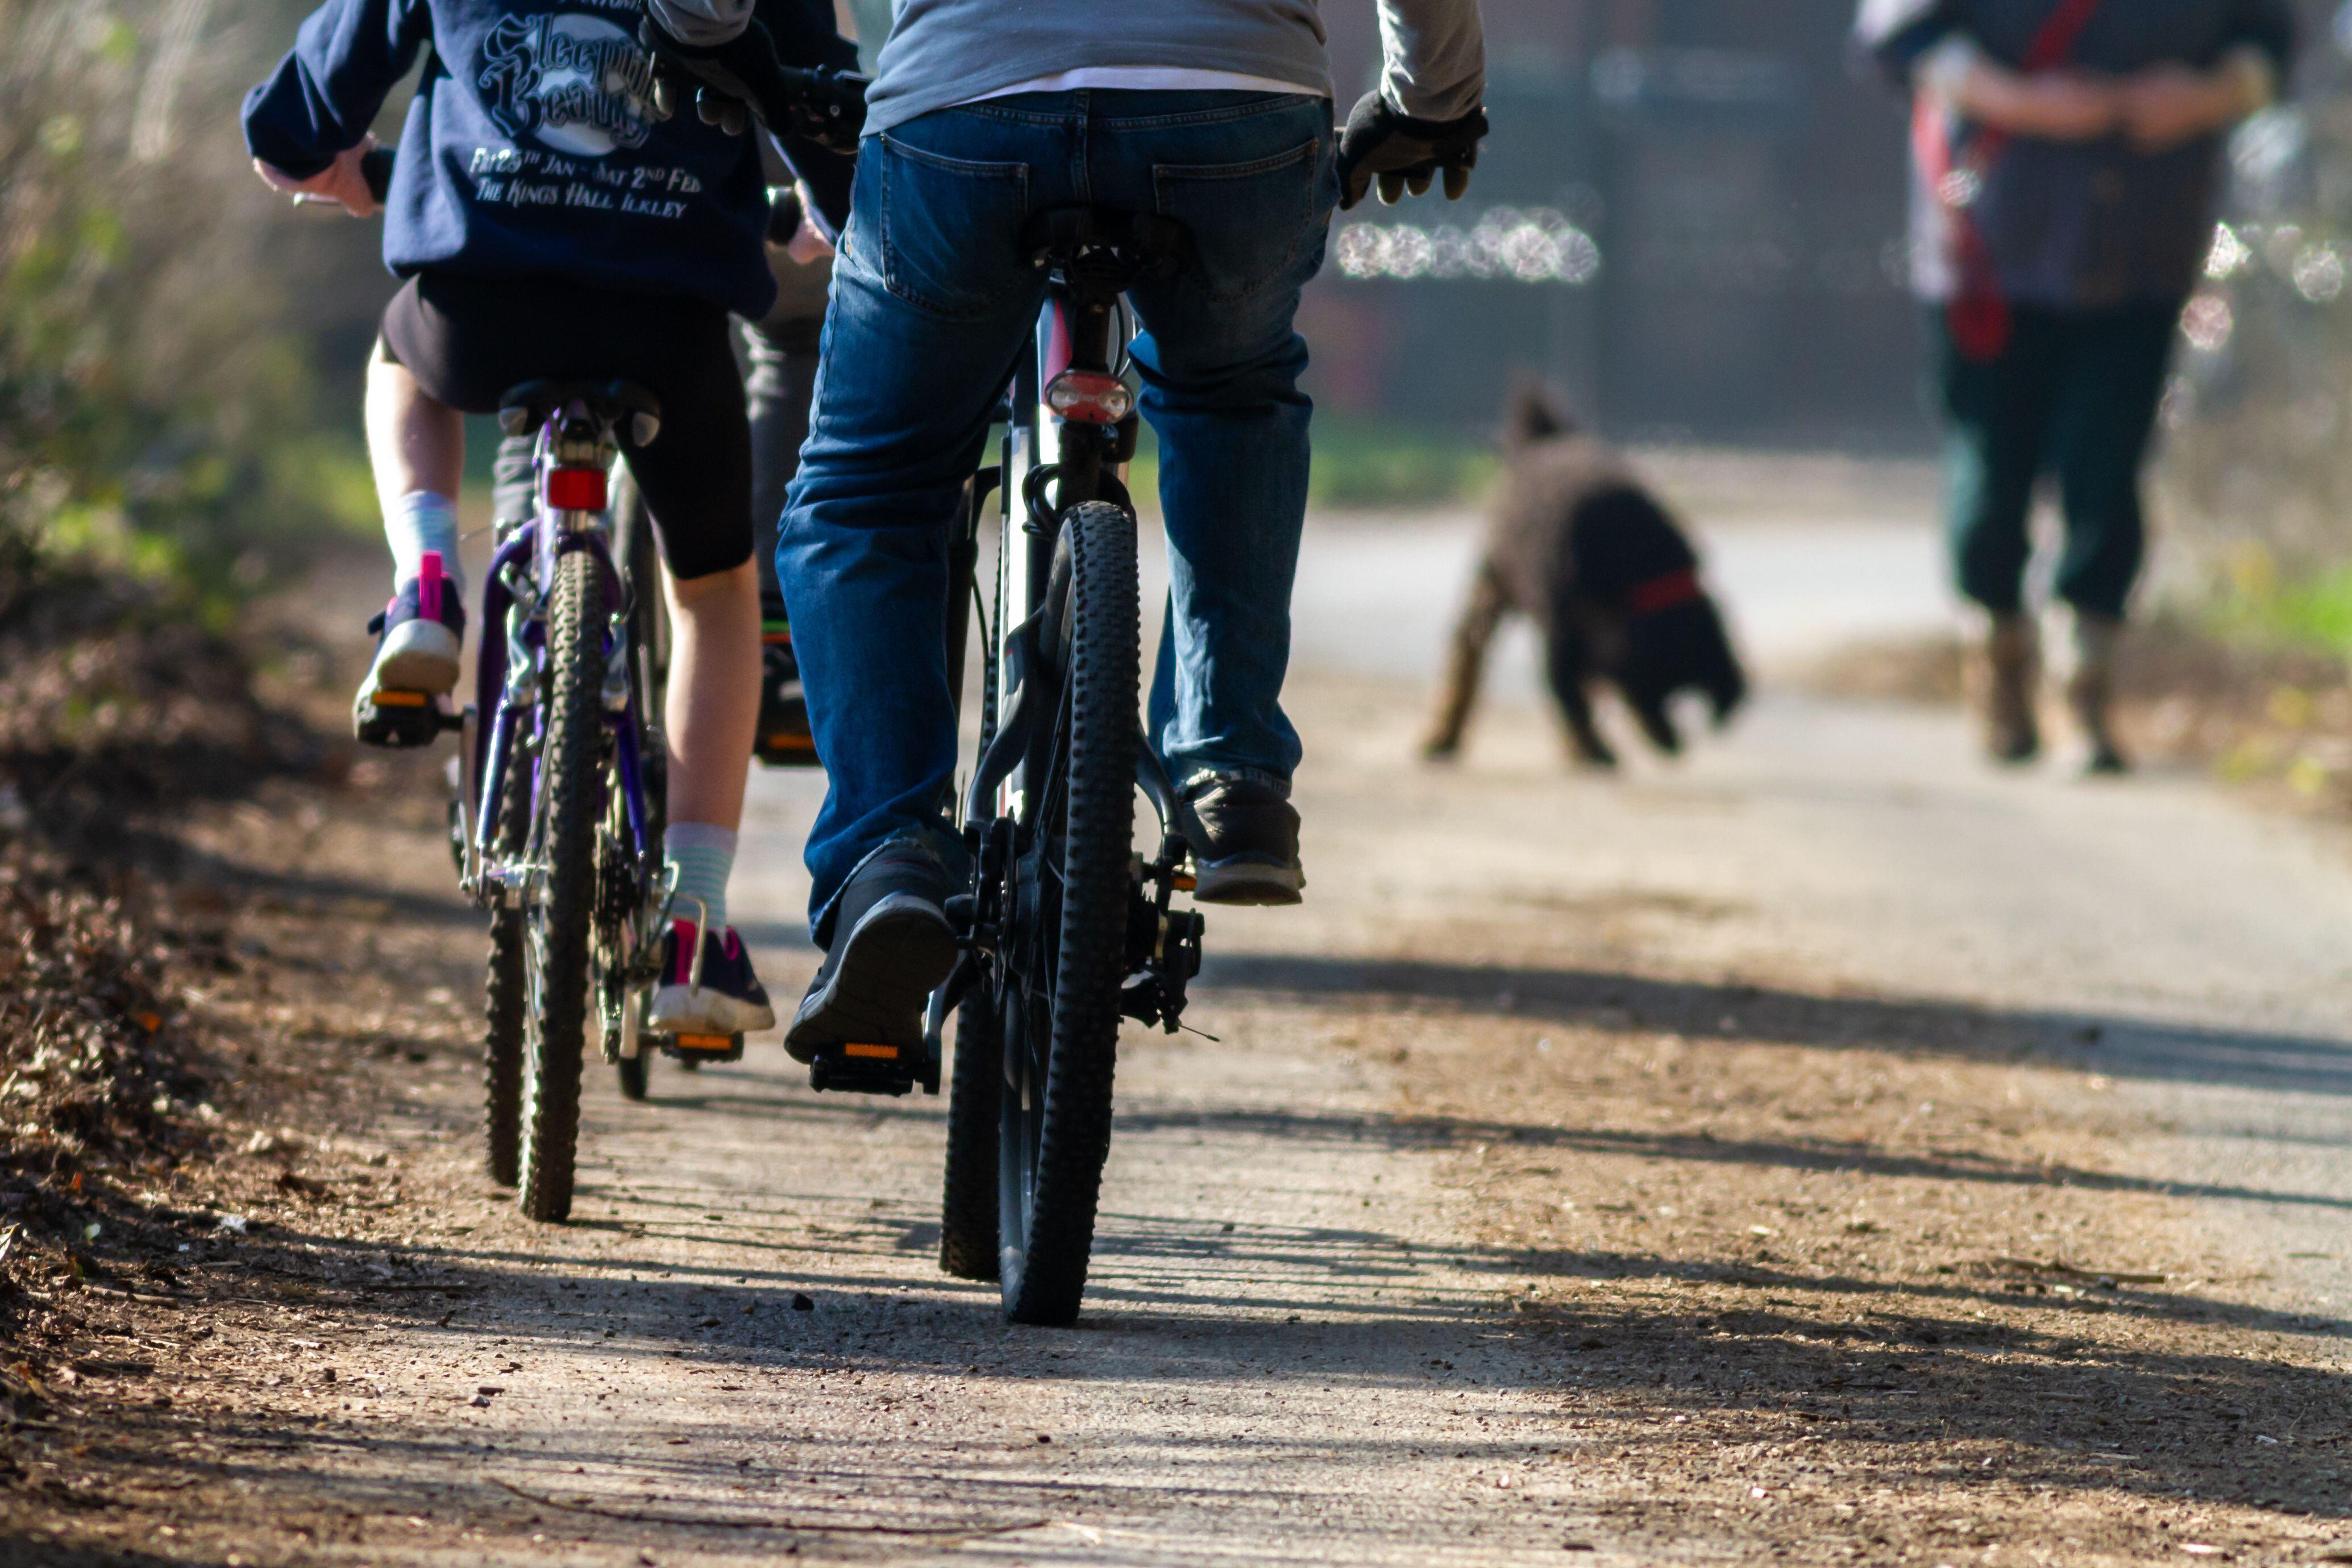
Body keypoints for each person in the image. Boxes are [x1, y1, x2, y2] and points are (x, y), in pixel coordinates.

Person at [641, 0, 1489, 1063]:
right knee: (1232, 395)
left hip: (966, 116)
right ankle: (1232, 770)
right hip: (1233, 111)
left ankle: (888, 857)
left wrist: (702, 28)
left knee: (873, 482)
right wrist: (1433, 99)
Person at [242, 0, 857, 1036]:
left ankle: (427, 588)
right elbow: (818, 103)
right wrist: (832, 208)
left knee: (399, 363)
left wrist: (311, 155)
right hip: (667, 325)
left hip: (485, 306)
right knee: (713, 595)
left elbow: (318, 98)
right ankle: (697, 925)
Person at [1858, 0, 2296, 773]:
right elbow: (1899, 41)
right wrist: (2024, 103)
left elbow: (2270, 48)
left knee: (2109, 467)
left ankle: (2082, 681)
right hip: (1991, 247)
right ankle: (1996, 651)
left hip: (2144, 242)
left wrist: (2203, 97)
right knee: (1991, 469)